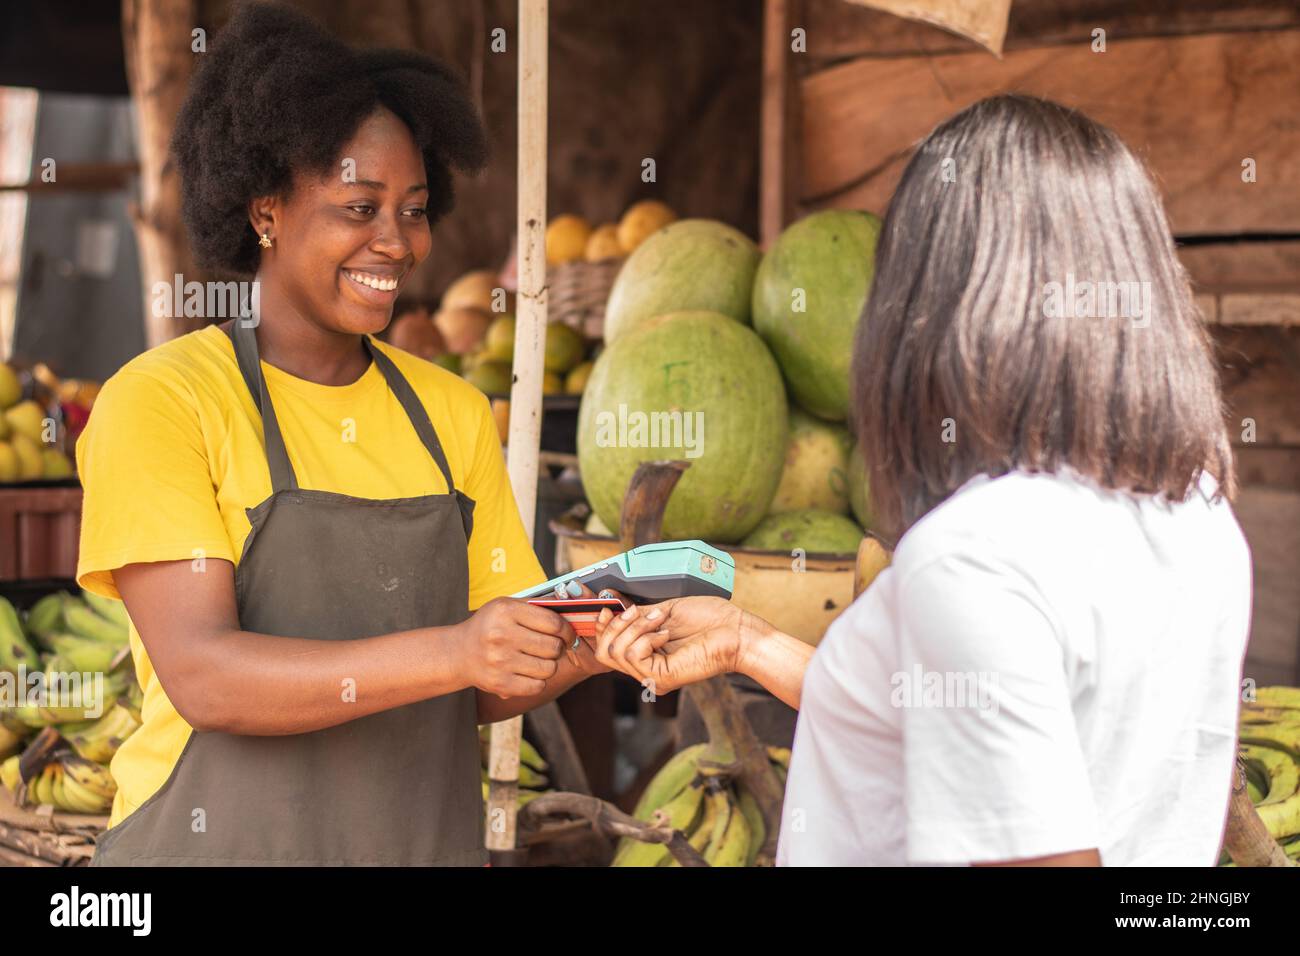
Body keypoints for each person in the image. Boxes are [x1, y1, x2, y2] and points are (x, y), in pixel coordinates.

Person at [591, 95, 1252, 867]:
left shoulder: (974, 554)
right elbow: (975, 728)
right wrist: (749, 640)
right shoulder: (1198, 514)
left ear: (937, 301)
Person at [76, 3, 609, 866]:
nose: (395, 243)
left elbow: (481, 685)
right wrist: (457, 649)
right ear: (266, 211)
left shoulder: (451, 416)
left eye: (414, 209)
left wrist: (596, 642)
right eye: (360, 207)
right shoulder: (165, 401)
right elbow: (207, 677)